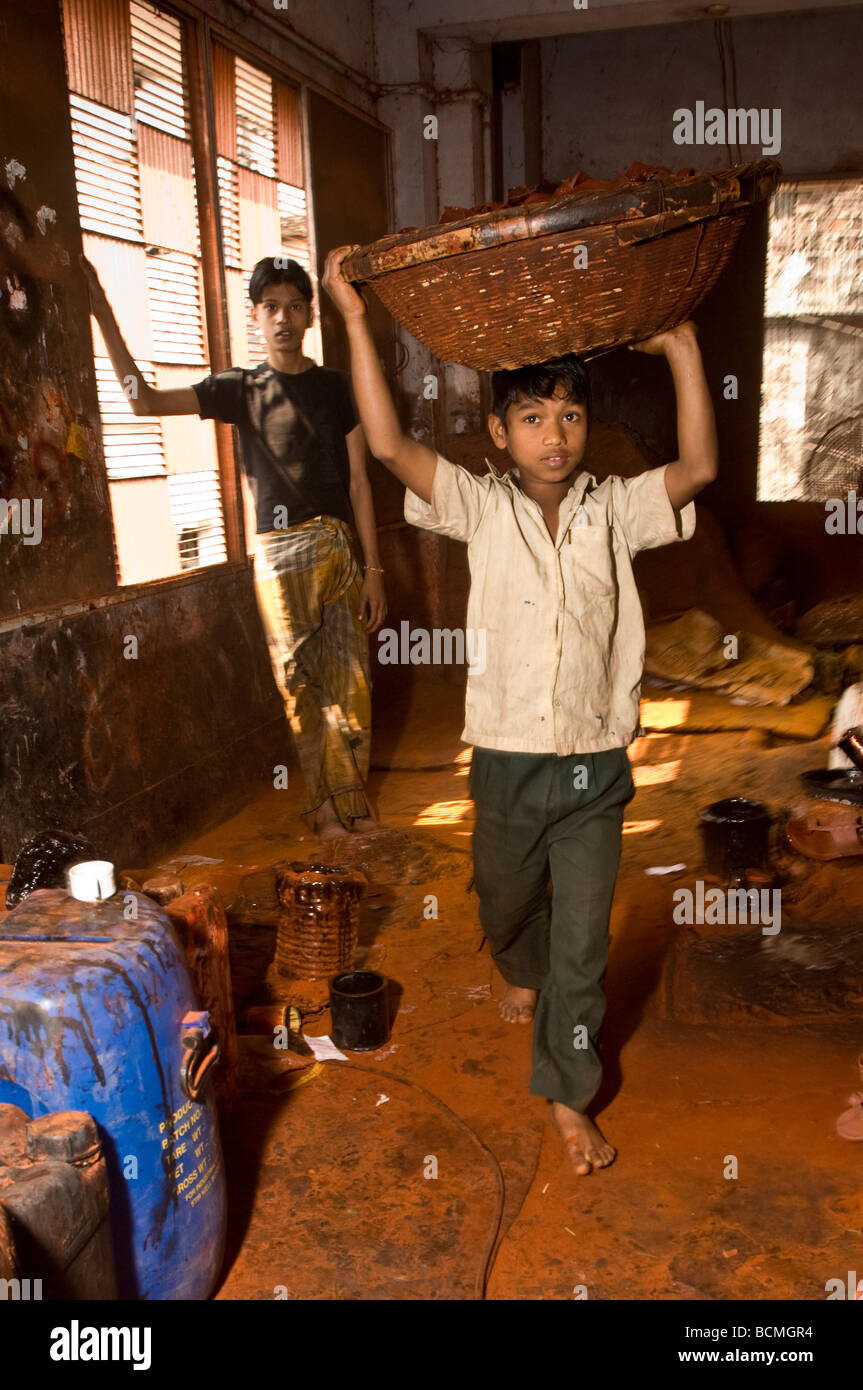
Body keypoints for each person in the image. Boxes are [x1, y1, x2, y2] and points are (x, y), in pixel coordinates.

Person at [322, 242, 718, 1173]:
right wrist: (352, 317)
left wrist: (684, 350)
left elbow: (696, 468)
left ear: (586, 429)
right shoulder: (476, 505)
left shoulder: (615, 509)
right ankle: (516, 963)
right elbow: (385, 448)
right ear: (498, 433)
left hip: (595, 770)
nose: (554, 433)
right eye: (532, 416)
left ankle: (565, 1095)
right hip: (502, 762)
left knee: (582, 946)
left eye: (570, 415)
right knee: (503, 905)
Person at [81, 253, 386, 841]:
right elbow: (141, 401)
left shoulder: (335, 388)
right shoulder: (239, 389)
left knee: (351, 684)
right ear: (255, 316)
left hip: (340, 551)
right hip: (278, 556)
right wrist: (102, 312)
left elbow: (359, 481)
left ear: (310, 314)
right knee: (299, 688)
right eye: (271, 306)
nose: (284, 318)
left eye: (295, 305)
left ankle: (354, 807)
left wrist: (374, 568)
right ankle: (326, 815)